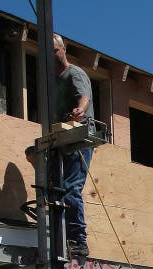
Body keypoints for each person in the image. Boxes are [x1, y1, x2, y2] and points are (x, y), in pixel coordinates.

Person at [53, 33, 93, 257]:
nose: (52, 55)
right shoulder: (52, 82)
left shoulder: (73, 74)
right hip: (62, 141)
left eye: (54, 50)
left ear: (63, 49)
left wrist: (80, 110)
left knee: (70, 188)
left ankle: (78, 240)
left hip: (78, 138)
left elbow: (83, 98)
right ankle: (61, 233)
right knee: (55, 188)